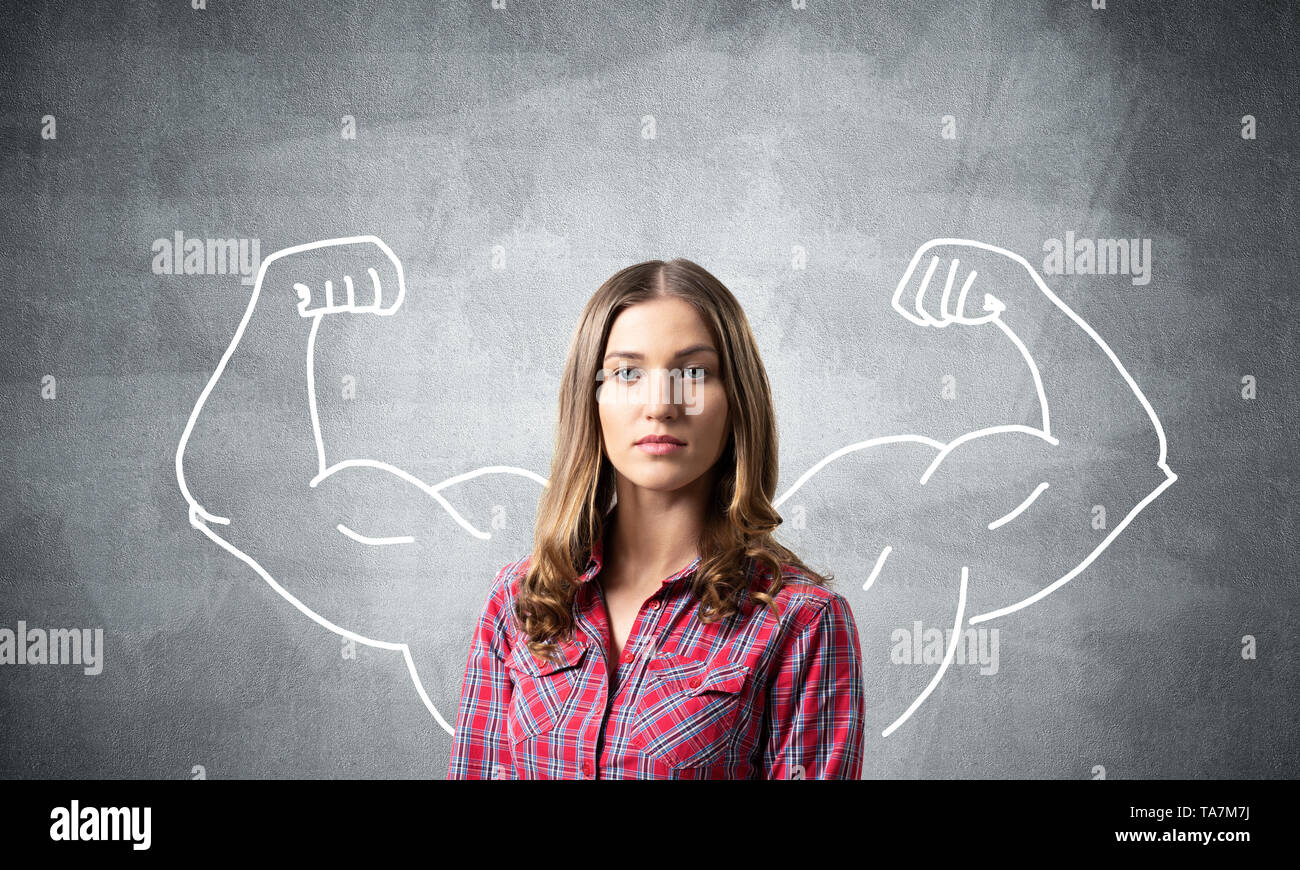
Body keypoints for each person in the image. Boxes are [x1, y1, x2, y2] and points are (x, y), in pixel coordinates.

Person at [447, 257, 865, 779]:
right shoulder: (520, 600)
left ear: (737, 400)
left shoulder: (801, 620)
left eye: (693, 373)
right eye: (627, 373)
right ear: (590, 400)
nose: (661, 406)